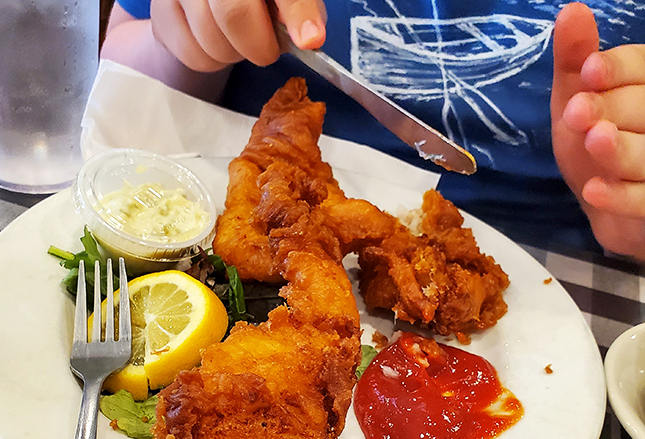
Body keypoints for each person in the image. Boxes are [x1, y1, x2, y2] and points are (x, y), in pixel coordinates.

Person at [101, 0, 645, 262]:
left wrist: (626, 198)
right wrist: (187, 39)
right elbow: (123, 71)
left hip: (568, 274)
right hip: (209, 196)